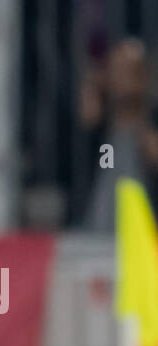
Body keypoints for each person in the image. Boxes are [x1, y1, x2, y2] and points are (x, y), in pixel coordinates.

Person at [75, 37, 158, 231]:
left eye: (132, 71)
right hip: (96, 232)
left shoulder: (148, 130)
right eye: (117, 71)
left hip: (143, 235)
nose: (124, 79)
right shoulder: (101, 133)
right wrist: (93, 83)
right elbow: (88, 116)